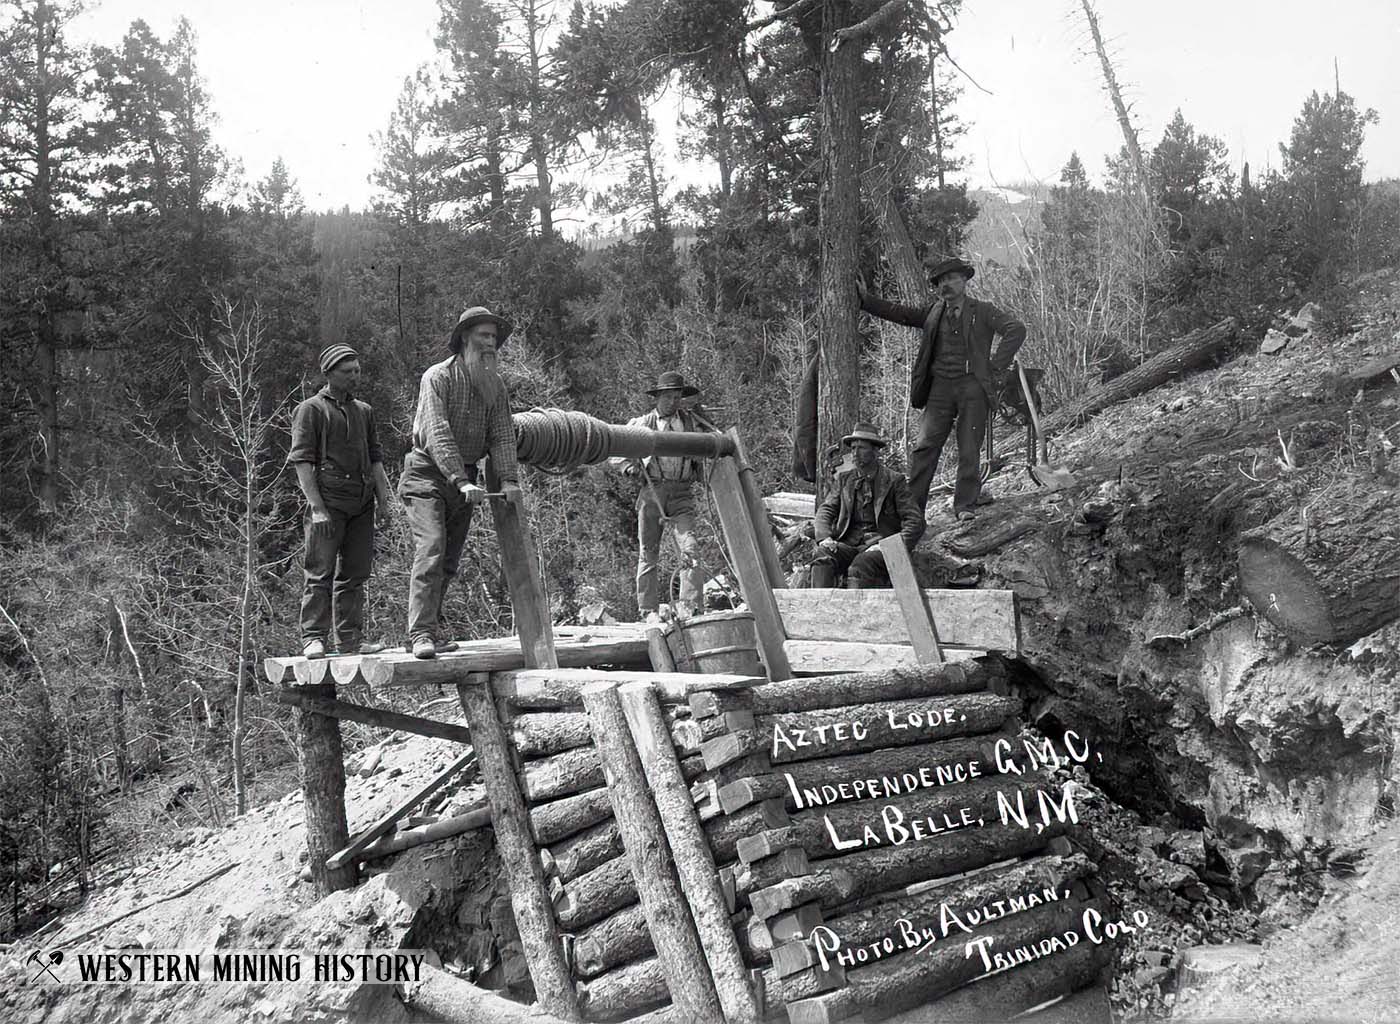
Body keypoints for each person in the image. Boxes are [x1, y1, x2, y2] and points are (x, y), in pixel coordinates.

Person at [859, 256, 1026, 521]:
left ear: (964, 281)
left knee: (969, 447)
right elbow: (901, 313)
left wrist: (994, 367)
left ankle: (964, 507)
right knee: (924, 447)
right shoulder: (933, 313)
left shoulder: (983, 310)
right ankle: (913, 511)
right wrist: (867, 301)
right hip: (939, 389)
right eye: (940, 282)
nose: (945, 285)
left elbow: (1016, 329)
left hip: (973, 387)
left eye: (950, 279)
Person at [399, 306, 521, 659]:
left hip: (465, 480)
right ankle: (420, 633)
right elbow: (437, 432)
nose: (490, 344)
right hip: (426, 475)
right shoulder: (437, 378)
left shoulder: (495, 385)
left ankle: (431, 631)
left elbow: (502, 435)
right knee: (432, 548)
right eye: (484, 336)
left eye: (494, 338)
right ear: (465, 338)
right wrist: (459, 478)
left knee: (449, 561)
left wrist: (510, 478)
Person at [289, 344, 393, 658]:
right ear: (330, 373)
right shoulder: (311, 409)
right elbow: (302, 462)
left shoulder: (364, 411)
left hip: (362, 503)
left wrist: (385, 503)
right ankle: (313, 637)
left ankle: (350, 640)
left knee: (355, 574)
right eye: (347, 372)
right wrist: (317, 508)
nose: (354, 377)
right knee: (319, 573)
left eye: (357, 371)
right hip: (329, 504)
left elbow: (376, 460)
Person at [618, 370, 705, 624]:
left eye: (677, 397)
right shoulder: (642, 424)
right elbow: (618, 452)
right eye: (667, 397)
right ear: (657, 398)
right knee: (648, 553)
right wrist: (629, 467)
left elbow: (711, 443)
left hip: (682, 493)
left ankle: (689, 608)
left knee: (690, 549)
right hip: (652, 491)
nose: (672, 402)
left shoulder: (690, 423)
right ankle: (648, 610)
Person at [810, 423, 923, 589]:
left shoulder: (894, 480)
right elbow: (826, 510)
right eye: (853, 448)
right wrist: (824, 538)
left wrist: (889, 547)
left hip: (880, 545)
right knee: (823, 555)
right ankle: (817, 610)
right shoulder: (844, 479)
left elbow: (914, 521)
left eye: (861, 448)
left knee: (860, 566)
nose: (854, 453)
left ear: (875, 451)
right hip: (849, 544)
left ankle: (857, 614)